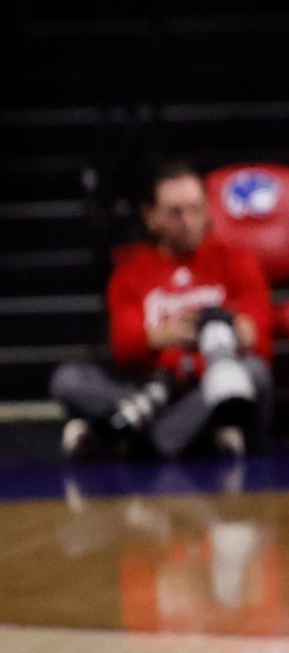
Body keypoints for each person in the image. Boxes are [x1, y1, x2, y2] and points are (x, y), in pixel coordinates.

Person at [55, 163, 274, 459]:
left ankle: (130, 437)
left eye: (196, 209)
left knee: (254, 374)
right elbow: (123, 349)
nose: (188, 221)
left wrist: (235, 334)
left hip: (206, 387)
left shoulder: (236, 262)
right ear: (150, 216)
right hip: (148, 388)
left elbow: (260, 343)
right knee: (68, 380)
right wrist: (162, 336)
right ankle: (185, 437)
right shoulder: (130, 271)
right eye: (175, 212)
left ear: (209, 210)